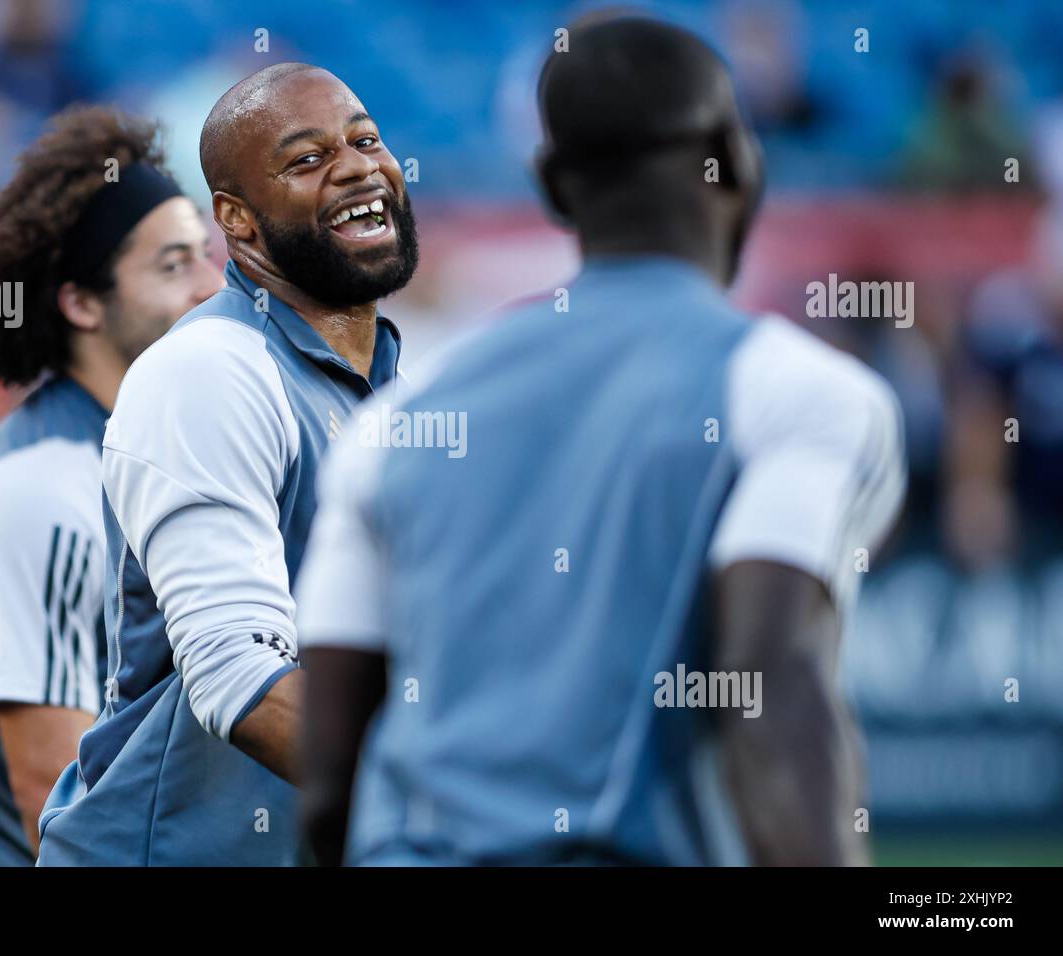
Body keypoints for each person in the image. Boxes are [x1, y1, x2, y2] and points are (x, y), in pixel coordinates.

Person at [295, 12, 906, 866]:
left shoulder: (398, 419)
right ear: (734, 160)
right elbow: (767, 696)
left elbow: (327, 785)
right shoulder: (801, 394)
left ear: (548, 184)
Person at [36, 63, 418, 865]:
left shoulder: (395, 394)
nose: (355, 165)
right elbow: (237, 679)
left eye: (366, 140)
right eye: (306, 159)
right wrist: (450, 802)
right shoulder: (210, 371)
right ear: (238, 223)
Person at [0, 105, 223, 866]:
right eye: (171, 265)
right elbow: (58, 814)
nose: (211, 288)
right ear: (82, 304)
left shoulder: (164, 459)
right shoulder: (39, 493)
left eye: (205, 254)